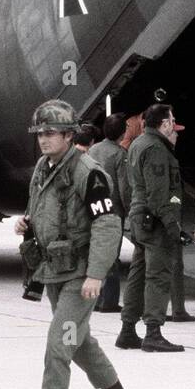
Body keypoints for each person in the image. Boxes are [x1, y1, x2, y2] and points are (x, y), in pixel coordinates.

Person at [16, 100, 144, 389]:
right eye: (40, 133)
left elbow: (107, 222)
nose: (43, 139)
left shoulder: (88, 171)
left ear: (69, 135)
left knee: (60, 341)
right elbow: (40, 208)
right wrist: (27, 223)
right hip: (54, 272)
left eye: (51, 133)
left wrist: (97, 274)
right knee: (79, 342)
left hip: (80, 276)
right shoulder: (45, 167)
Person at [127, 103, 193, 353]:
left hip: (139, 216)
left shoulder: (137, 144)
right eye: (171, 119)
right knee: (158, 275)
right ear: (164, 123)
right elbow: (157, 194)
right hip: (154, 221)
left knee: (138, 272)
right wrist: (172, 226)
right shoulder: (156, 149)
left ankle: (127, 329)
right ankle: (153, 330)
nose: (173, 123)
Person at [87, 113, 132, 313]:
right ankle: (109, 301)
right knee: (111, 255)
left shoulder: (92, 150)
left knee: (94, 251)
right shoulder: (120, 154)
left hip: (92, 208)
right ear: (123, 133)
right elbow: (123, 187)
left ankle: (94, 299)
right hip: (112, 211)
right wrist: (130, 208)